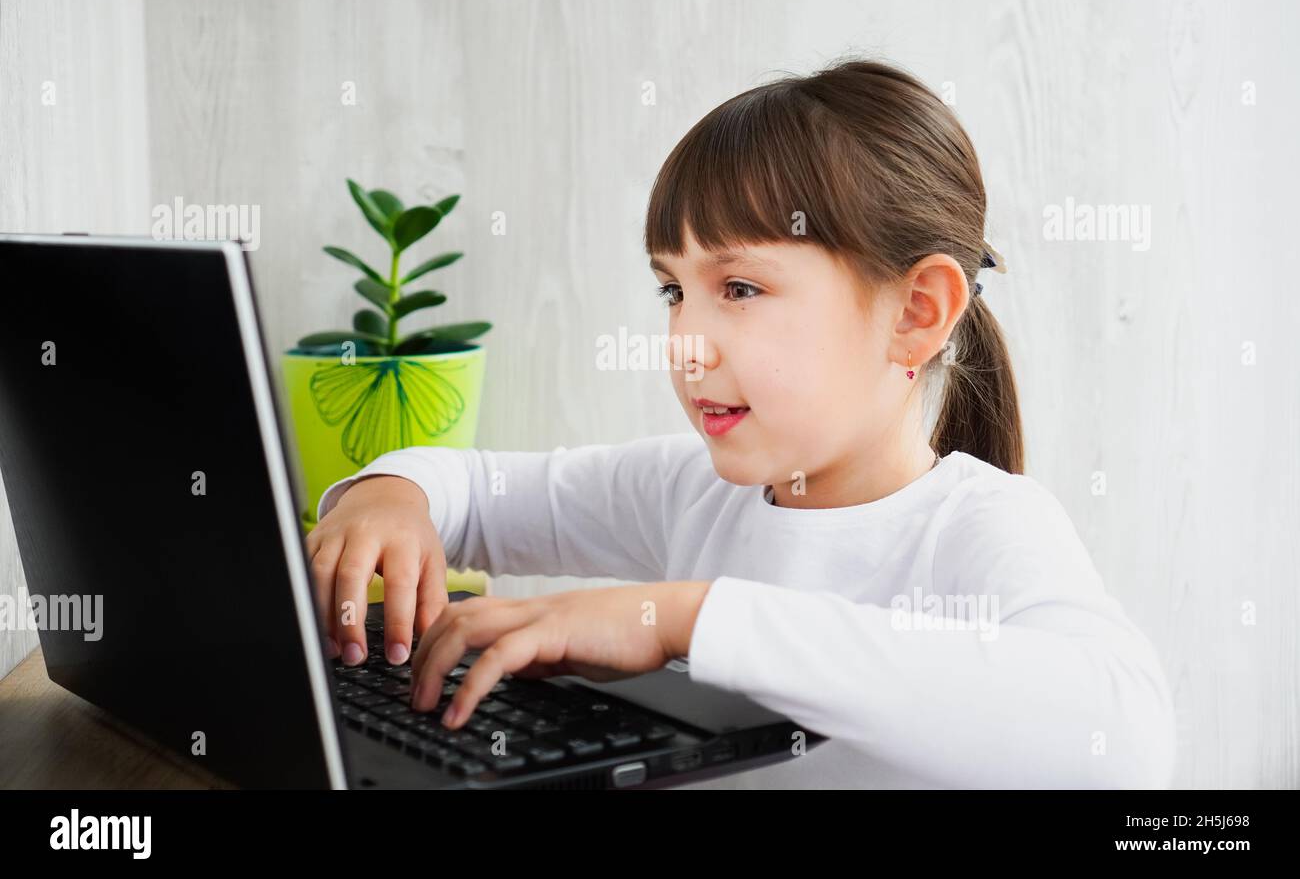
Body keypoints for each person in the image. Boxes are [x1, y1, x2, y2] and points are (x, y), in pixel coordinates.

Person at [305, 57, 1176, 789]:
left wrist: (684, 620)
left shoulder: (977, 527)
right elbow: (486, 494)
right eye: (673, 291)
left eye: (742, 289)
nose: (686, 345)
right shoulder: (691, 493)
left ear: (916, 312)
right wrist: (395, 492)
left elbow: (1125, 736)